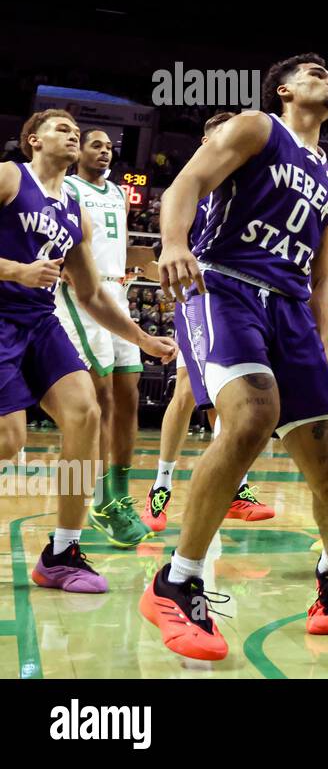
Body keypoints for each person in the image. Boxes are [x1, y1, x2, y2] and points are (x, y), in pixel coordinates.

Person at [143, 54, 328, 660]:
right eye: (316, 72)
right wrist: (174, 243)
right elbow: (186, 183)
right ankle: (176, 582)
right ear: (285, 89)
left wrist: (321, 340)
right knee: (251, 415)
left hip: (292, 310)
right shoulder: (256, 127)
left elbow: (320, 274)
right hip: (223, 285)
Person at [0, 110, 176, 593]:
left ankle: (62, 551)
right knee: (9, 441)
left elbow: (92, 294)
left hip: (38, 321)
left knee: (85, 414)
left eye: (75, 130)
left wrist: (143, 338)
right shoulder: (10, 176)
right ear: (32, 140)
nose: (72, 133)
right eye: (60, 128)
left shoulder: (72, 214)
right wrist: (15, 271)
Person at [145, 113, 275, 532]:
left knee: (229, 395)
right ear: (207, 141)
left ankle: (237, 487)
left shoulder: (250, 192)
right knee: (186, 392)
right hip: (200, 296)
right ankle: (160, 489)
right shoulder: (196, 193)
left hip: (237, 301)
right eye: (221, 135)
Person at [52, 128, 154, 547]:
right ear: (80, 154)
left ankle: (118, 495)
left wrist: (146, 265)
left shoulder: (116, 193)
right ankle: (97, 499)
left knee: (128, 394)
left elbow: (120, 245)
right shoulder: (67, 187)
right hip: (80, 292)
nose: (104, 150)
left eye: (109, 146)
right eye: (96, 144)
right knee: (101, 398)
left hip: (118, 290)